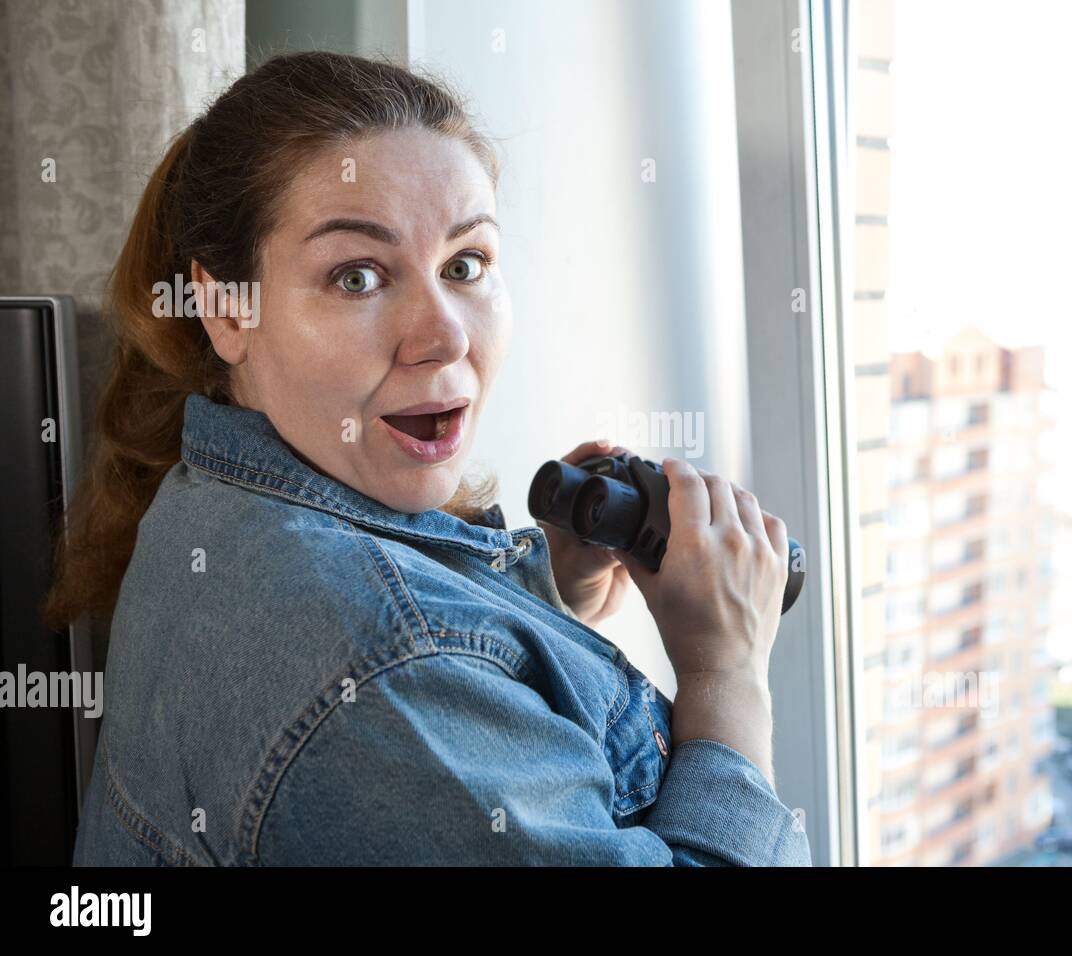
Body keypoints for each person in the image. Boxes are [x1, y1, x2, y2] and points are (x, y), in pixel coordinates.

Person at [47, 51, 810, 866]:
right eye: (358, 276)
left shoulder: (211, 508)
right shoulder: (376, 671)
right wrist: (725, 670)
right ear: (226, 308)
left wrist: (545, 604)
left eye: (465, 264)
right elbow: (389, 682)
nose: (444, 333)